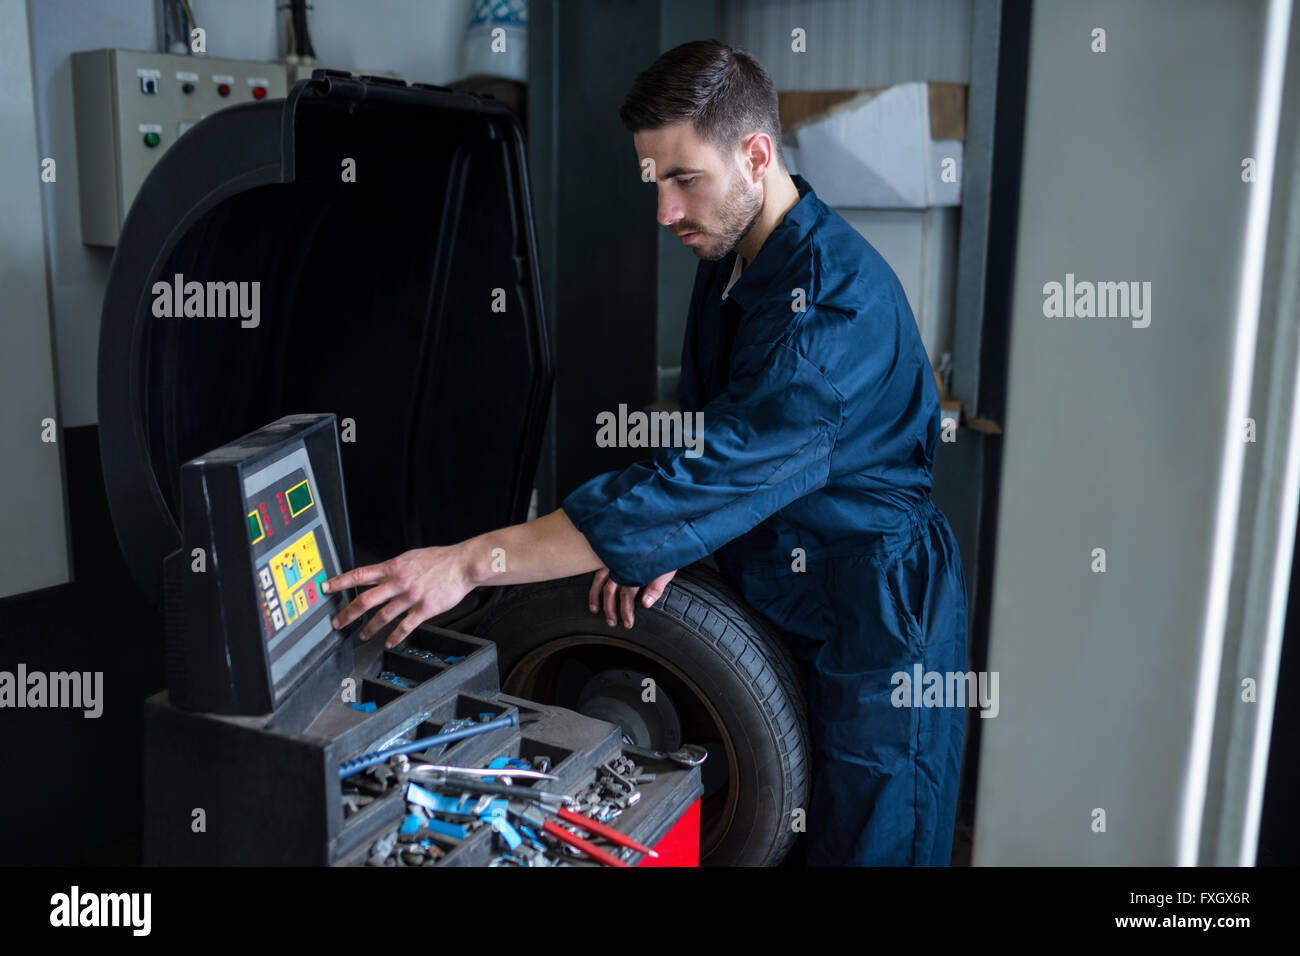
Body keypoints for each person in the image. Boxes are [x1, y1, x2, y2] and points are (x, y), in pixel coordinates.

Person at [321, 40, 968, 867]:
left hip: (876, 612)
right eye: (653, 180)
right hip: (783, 574)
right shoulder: (738, 258)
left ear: (756, 155)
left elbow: (705, 473)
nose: (663, 211)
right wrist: (682, 534)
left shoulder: (830, 320)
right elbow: (715, 443)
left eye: (683, 178)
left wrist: (466, 564)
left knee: (868, 844)